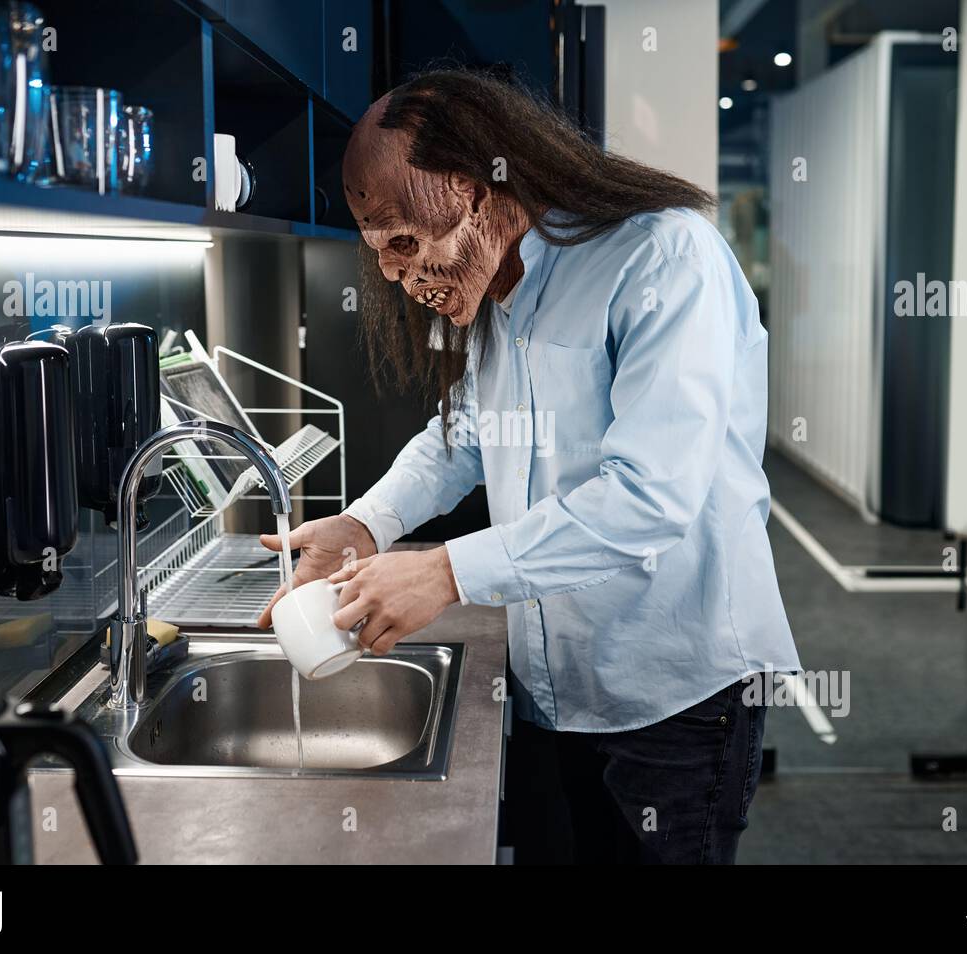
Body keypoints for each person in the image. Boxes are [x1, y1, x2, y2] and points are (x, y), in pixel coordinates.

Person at [257, 69, 800, 864]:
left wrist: (446, 572)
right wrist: (365, 523)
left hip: (675, 690)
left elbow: (650, 497)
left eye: (405, 241)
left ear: (479, 186)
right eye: (380, 251)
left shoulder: (661, 256)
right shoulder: (500, 289)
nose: (395, 276)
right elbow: (467, 437)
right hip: (559, 684)